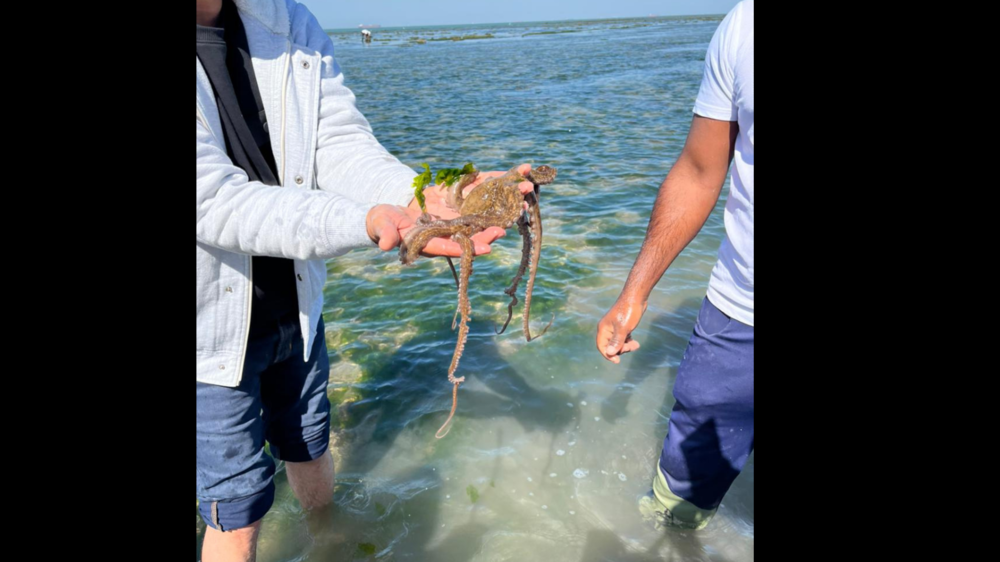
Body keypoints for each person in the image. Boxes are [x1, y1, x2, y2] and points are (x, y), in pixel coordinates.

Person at [196, 1, 535, 560]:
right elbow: (213, 202)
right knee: (237, 510)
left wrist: (422, 198)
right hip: (207, 332)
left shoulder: (287, 19)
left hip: (296, 303)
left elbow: (340, 146)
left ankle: (328, 543)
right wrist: (364, 221)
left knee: (309, 444)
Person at [595, 0, 753, 531]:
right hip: (738, 314)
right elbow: (698, 170)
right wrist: (634, 293)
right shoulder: (743, 25)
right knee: (673, 512)